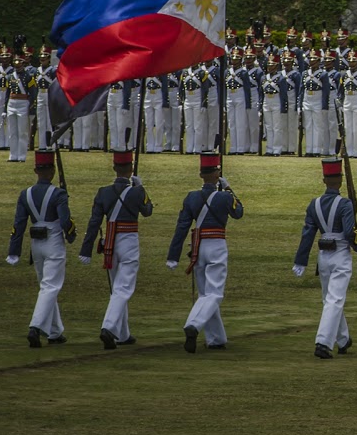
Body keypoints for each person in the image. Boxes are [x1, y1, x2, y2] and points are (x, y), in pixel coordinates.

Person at [166, 153, 244, 353]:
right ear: (217, 173)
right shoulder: (225, 197)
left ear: (201, 175)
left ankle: (216, 338)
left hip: (198, 247)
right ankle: (193, 324)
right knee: (214, 293)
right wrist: (228, 188)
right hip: (216, 245)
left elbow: (181, 227)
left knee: (205, 294)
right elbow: (239, 212)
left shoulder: (192, 197)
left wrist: (173, 255)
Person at [79, 150, 153, 349]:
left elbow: (94, 222)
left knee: (117, 288)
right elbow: (148, 211)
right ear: (131, 169)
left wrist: (86, 249)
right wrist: (141, 188)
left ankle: (123, 333)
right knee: (123, 288)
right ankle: (109, 327)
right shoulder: (137, 191)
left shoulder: (104, 192)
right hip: (128, 240)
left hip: (110, 243)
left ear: (114, 168)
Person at [293, 156, 357, 359]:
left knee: (330, 299)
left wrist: (300, 260)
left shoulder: (313, 204)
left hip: (323, 256)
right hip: (340, 253)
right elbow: (350, 233)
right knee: (334, 299)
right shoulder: (345, 204)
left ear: (324, 180)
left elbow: (307, 235)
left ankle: (343, 339)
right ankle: (323, 342)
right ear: (340, 180)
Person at [5, 150, 76, 347]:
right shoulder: (58, 193)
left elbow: (18, 224)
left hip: (36, 244)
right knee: (50, 287)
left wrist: (14, 251)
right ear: (52, 171)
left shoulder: (25, 194)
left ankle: (54, 331)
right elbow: (64, 220)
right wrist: (71, 234)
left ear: (36, 170)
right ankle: (35, 327)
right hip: (53, 242)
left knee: (46, 287)